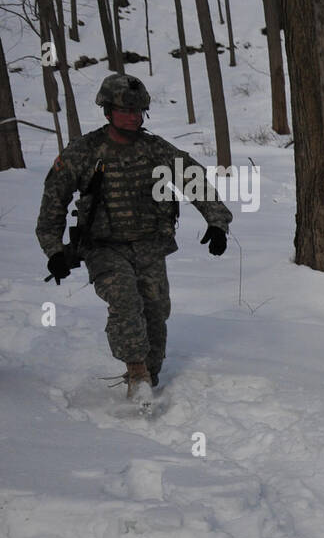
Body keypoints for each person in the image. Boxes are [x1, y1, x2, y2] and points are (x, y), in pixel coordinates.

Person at [36, 73, 232, 398]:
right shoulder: (84, 151)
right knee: (126, 301)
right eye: (126, 110)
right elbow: (53, 201)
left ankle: (147, 377)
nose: (133, 117)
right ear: (108, 111)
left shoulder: (154, 149)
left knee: (155, 311)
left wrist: (216, 222)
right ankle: (136, 373)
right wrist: (55, 251)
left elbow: (192, 177)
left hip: (150, 246)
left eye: (138, 111)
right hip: (104, 248)